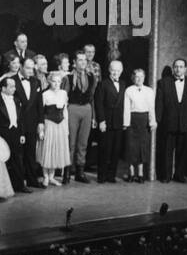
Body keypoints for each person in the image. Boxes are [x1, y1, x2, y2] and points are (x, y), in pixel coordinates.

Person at [154, 57, 187, 183]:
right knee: (167, 151)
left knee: (183, 151)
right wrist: (158, 121)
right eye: (176, 67)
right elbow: (159, 104)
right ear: (173, 68)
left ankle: (179, 175)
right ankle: (166, 176)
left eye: (181, 67)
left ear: (185, 69)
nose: (178, 69)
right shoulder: (163, 83)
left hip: (186, 124)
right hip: (169, 123)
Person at [0, 74, 33, 194]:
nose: (14, 89)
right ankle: (3, 186)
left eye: (14, 86)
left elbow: (20, 119)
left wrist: (22, 134)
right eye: (11, 87)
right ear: (3, 88)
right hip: (3, 133)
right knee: (3, 159)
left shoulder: (17, 100)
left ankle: (19, 185)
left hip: (16, 132)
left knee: (18, 158)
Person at [65, 51, 97, 183]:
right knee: (71, 143)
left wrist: (94, 116)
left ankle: (80, 172)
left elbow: (92, 97)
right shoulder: (67, 77)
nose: (83, 62)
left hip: (86, 109)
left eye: (85, 60)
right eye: (80, 60)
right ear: (74, 63)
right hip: (72, 108)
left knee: (83, 143)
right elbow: (64, 97)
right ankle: (67, 172)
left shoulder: (92, 77)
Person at [93, 59, 126, 183]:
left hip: (118, 122)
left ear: (121, 71)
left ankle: (111, 176)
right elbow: (99, 104)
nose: (115, 72)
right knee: (104, 150)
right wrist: (101, 121)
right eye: (113, 70)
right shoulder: (102, 84)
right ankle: (101, 176)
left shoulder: (123, 84)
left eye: (118, 70)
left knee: (116, 150)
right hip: (106, 122)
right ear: (109, 70)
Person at [37, 69, 70, 186]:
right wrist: (41, 130)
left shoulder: (63, 93)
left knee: (56, 151)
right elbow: (40, 113)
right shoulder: (45, 95)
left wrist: (66, 128)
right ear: (49, 82)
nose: (56, 84)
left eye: (59, 82)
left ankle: (52, 177)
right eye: (54, 81)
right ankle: (45, 176)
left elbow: (65, 111)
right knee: (48, 150)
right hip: (49, 125)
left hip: (60, 125)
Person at [122, 68, 156, 182]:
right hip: (132, 120)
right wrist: (126, 123)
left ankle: (140, 174)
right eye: (137, 77)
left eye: (141, 76)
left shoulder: (149, 91)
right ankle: (131, 174)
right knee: (131, 147)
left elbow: (151, 108)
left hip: (144, 120)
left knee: (142, 147)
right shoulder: (129, 90)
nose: (139, 79)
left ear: (144, 78)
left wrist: (152, 122)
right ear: (133, 78)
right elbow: (126, 108)